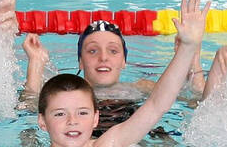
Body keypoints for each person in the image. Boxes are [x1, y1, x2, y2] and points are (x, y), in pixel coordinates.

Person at [21, 0, 209, 147]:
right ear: (43, 122)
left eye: (83, 113)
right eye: (60, 114)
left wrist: (188, 47)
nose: (73, 121)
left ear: (95, 119)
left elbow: (156, 105)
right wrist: (36, 64)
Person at [20, 19, 207, 134]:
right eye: (93, 51)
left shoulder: (142, 87)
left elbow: (197, 102)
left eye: (113, 51)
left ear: (124, 61)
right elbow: (29, 107)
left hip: (141, 145)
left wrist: (193, 59)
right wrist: (36, 62)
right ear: (80, 62)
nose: (103, 57)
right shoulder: (69, 91)